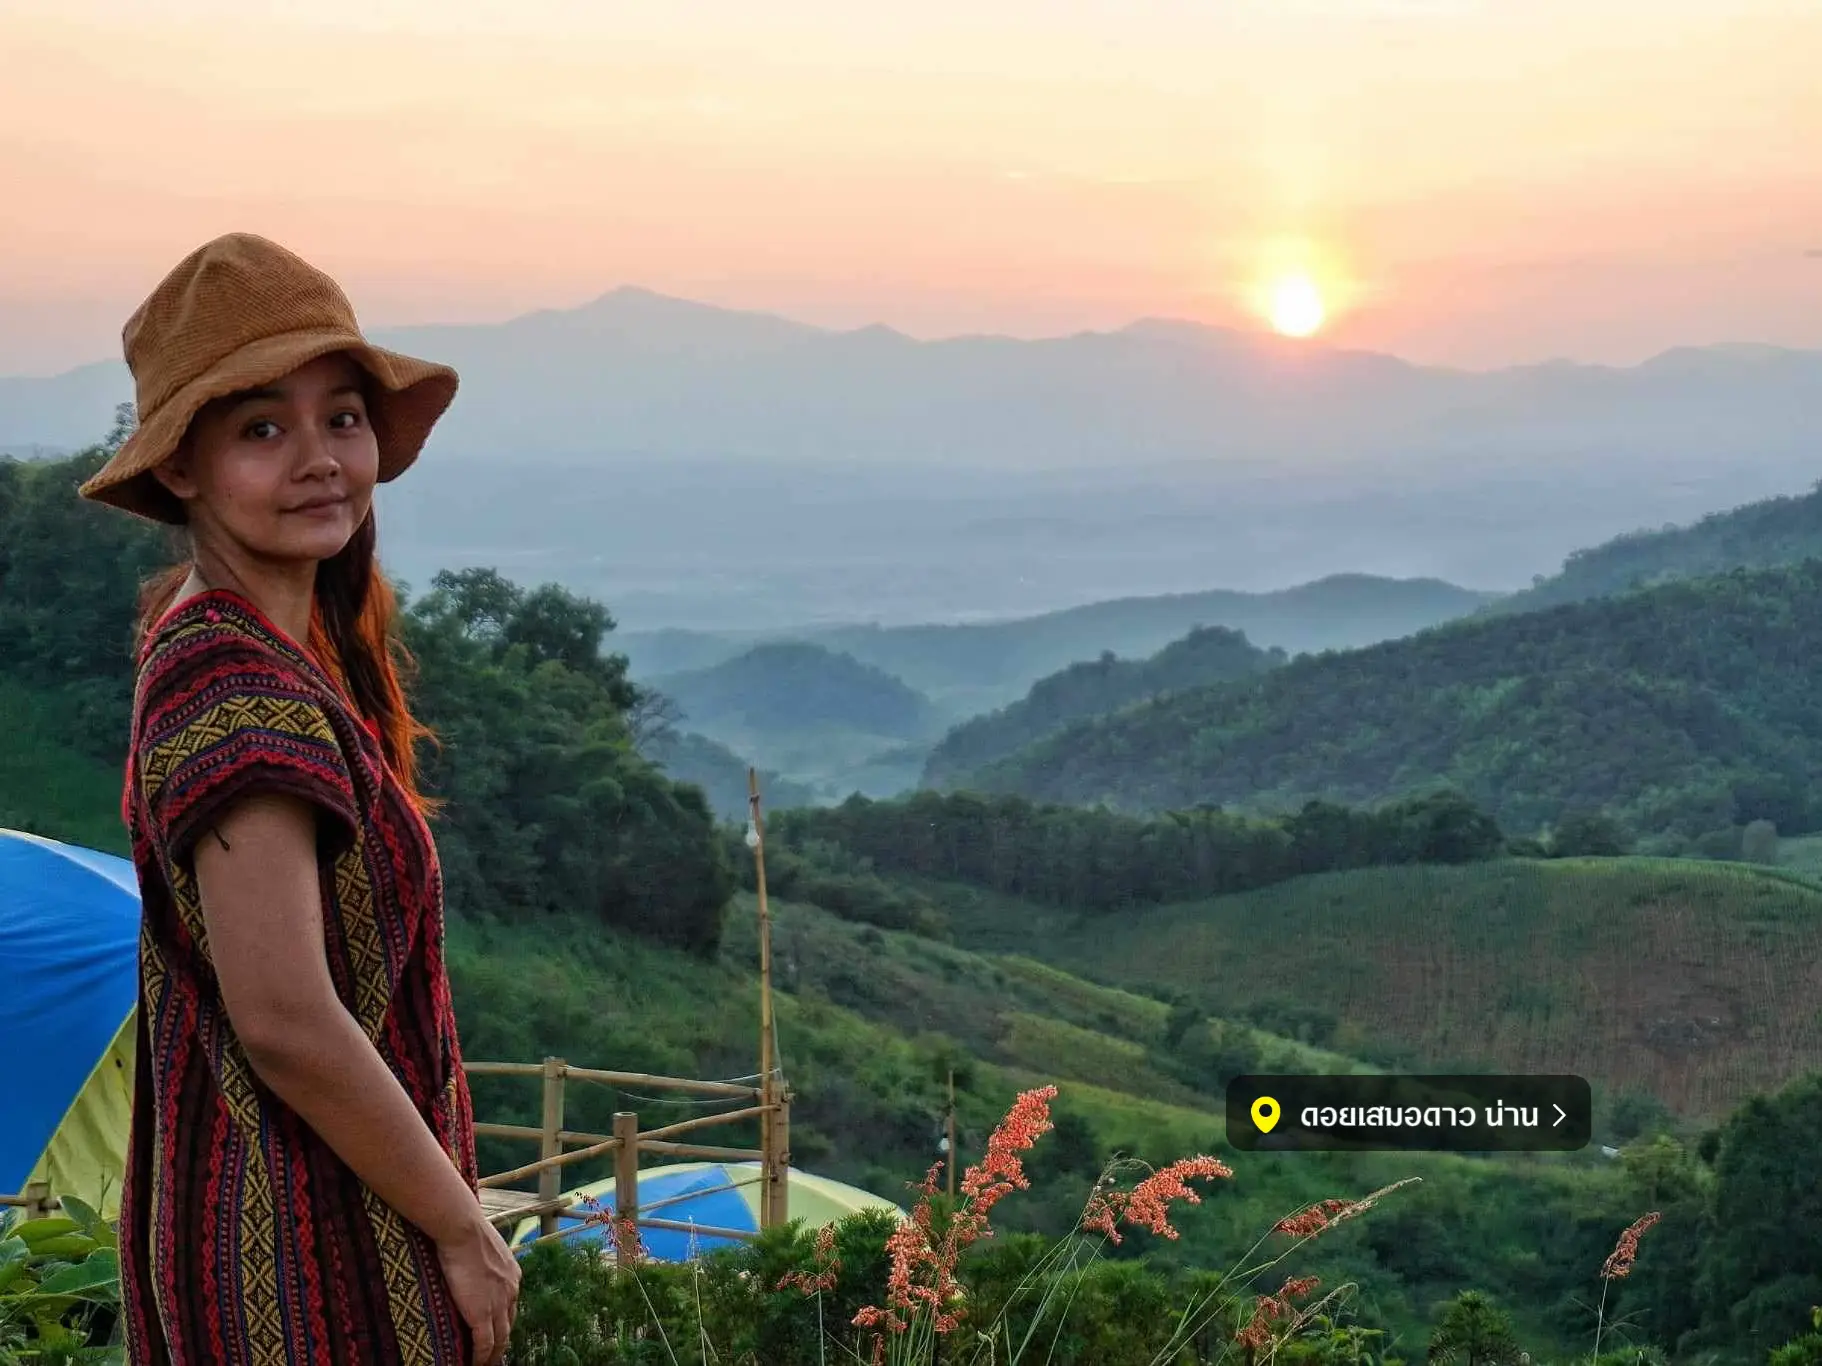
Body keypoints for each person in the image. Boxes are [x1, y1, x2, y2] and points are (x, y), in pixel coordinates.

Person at [78, 233, 521, 1365]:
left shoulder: (253, 646)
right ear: (182, 467)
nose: (320, 458)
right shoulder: (232, 684)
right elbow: (285, 1018)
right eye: (262, 428)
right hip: (301, 1264)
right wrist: (464, 1230)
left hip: (304, 1229)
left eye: (341, 416)